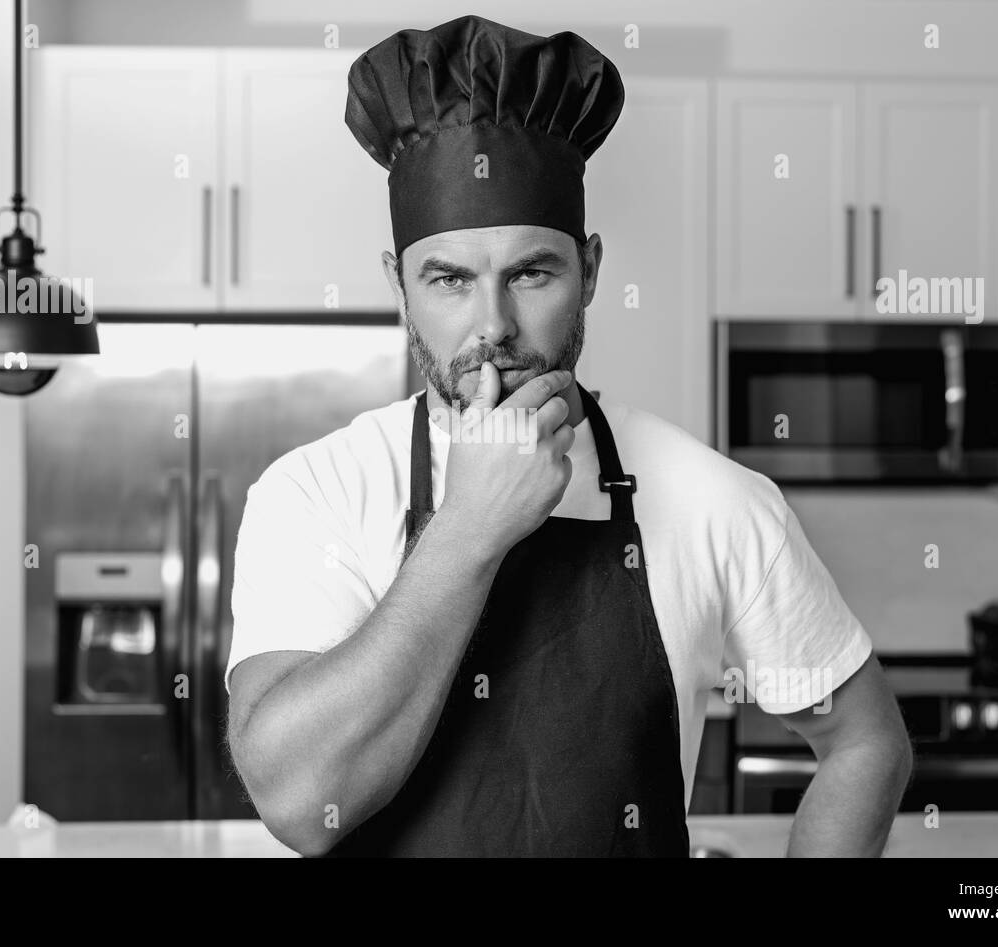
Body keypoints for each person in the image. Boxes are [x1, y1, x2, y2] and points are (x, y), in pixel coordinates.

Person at [225, 14, 912, 857]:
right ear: (398, 288)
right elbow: (299, 803)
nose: (494, 326)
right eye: (448, 279)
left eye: (531, 272)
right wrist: (472, 526)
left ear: (589, 271)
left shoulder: (711, 500)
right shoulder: (316, 494)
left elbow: (866, 742)